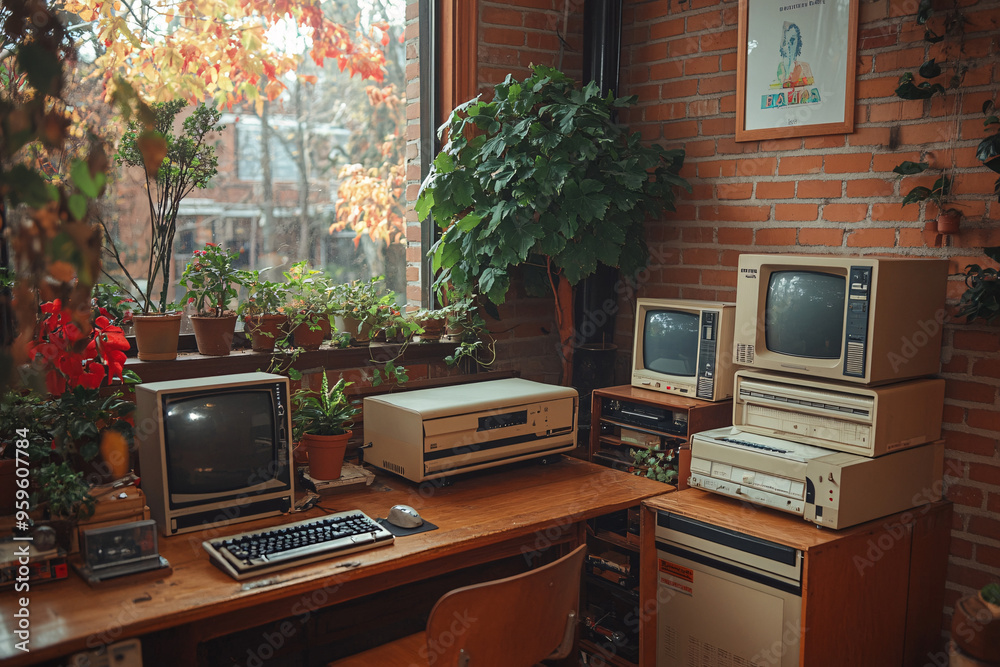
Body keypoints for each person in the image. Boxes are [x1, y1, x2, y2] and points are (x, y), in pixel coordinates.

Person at [771, 22, 814, 89]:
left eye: (792, 40)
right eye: (785, 41)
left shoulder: (805, 67)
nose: (788, 46)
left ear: (798, 43)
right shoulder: (779, 68)